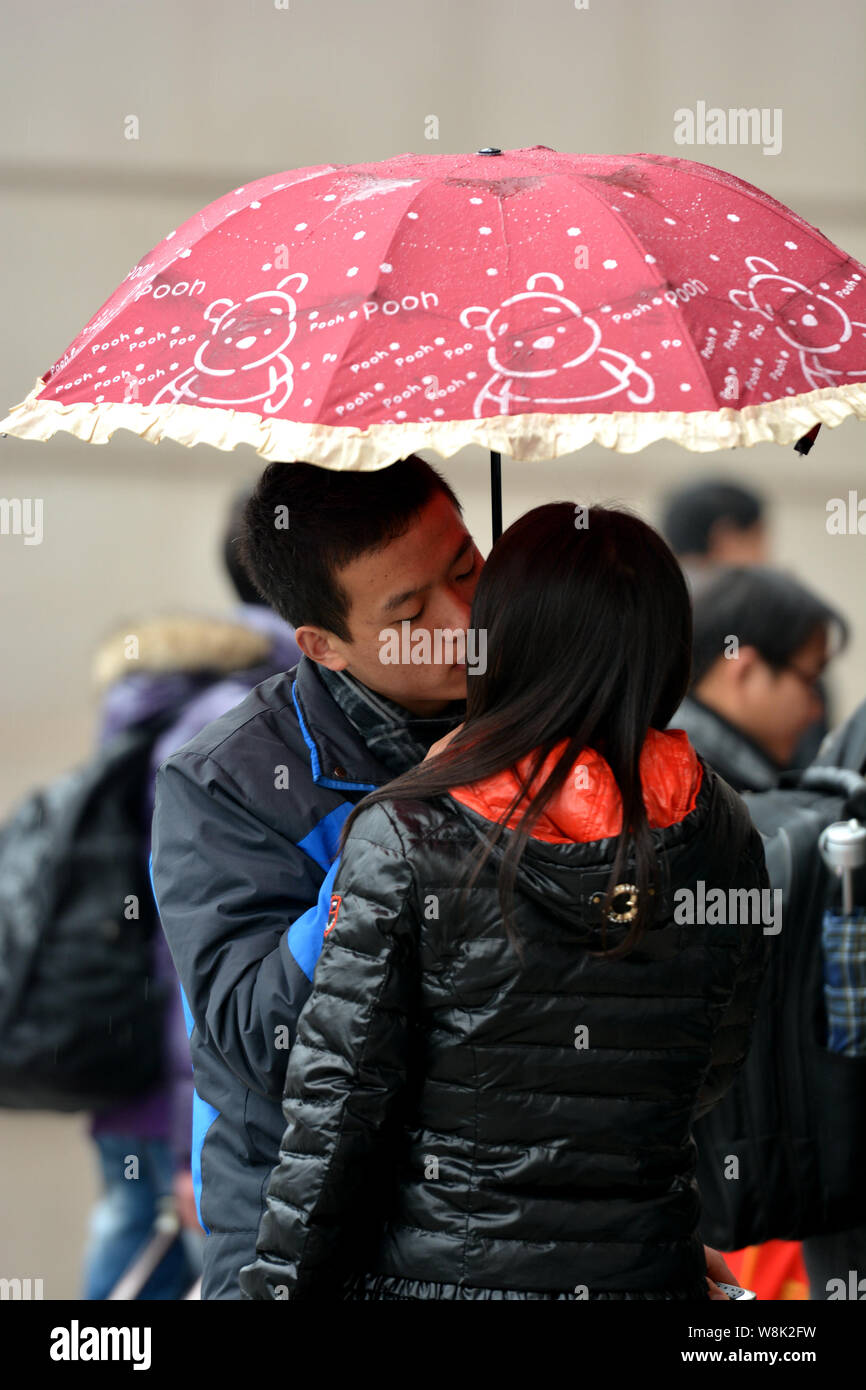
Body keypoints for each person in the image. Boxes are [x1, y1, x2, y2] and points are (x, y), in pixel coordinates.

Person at [238, 501, 772, 1302]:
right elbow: (715, 1060)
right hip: (645, 1274)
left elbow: (338, 1106)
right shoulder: (724, 825)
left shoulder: (406, 829)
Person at [150, 455, 482, 1299]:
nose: (464, 619)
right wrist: (410, 824)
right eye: (411, 613)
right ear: (322, 645)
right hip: (307, 1241)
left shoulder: (545, 721)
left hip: (505, 1225)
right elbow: (261, 1035)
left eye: (469, 569)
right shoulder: (224, 781)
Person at [82, 488, 300, 1299]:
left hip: (137, 1058)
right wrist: (187, 1147)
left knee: (130, 1240)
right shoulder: (244, 720)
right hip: (183, 1090)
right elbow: (194, 952)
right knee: (144, 1262)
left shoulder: (200, 690)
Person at [670, 567, 849, 794]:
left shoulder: (671, 765)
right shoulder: (698, 796)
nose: (816, 710)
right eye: (809, 681)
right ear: (745, 673)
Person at [660, 478, 768, 592]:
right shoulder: (744, 601)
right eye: (757, 540)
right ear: (726, 538)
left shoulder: (657, 592)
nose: (764, 555)